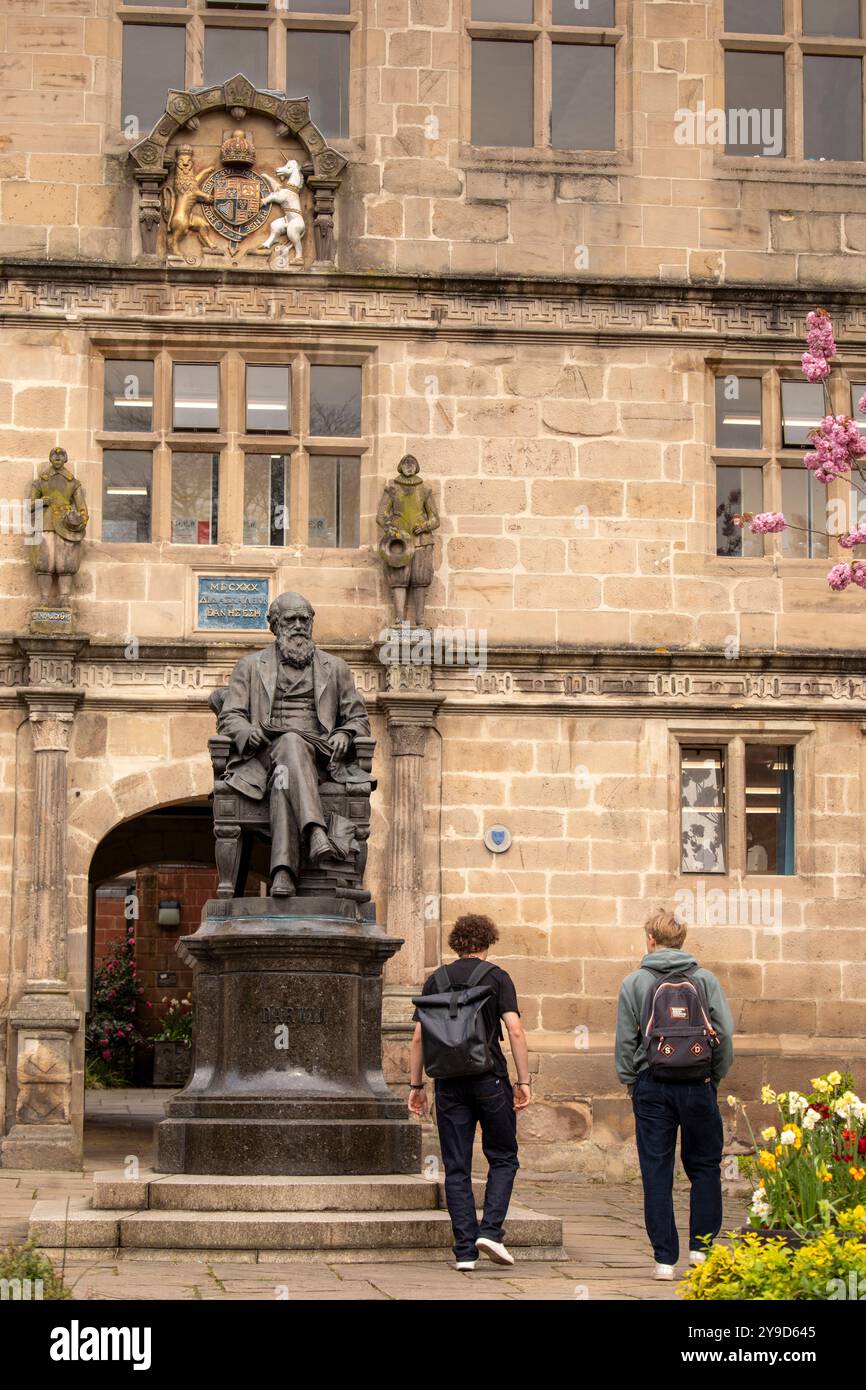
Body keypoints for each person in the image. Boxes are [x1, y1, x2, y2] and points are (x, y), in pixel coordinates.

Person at [216, 591, 372, 895]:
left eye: (305, 619)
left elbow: (359, 718)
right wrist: (249, 732)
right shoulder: (249, 666)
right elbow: (230, 717)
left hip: (322, 759)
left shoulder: (335, 668)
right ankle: (314, 834)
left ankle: (284, 872)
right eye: (291, 620)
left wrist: (346, 734)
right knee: (287, 749)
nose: (299, 625)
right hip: (265, 757)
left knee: (288, 764)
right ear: (275, 625)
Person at [615, 907, 734, 1281]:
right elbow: (725, 1035)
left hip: (652, 1085)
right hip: (698, 1083)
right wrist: (712, 1077)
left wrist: (632, 1082)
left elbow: (625, 1043)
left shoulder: (634, 982)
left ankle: (664, 1260)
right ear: (681, 941)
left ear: (651, 940)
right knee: (704, 1167)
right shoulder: (705, 979)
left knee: (656, 1171)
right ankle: (700, 1248)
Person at [407, 914, 531, 1270]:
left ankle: (464, 1251)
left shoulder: (436, 979)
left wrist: (417, 1086)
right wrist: (523, 1082)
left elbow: (418, 1037)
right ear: (487, 942)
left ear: (456, 943)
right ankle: (490, 1230)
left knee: (457, 1166)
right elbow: (516, 1030)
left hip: (448, 1083)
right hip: (490, 1079)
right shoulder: (497, 977)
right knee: (503, 1157)